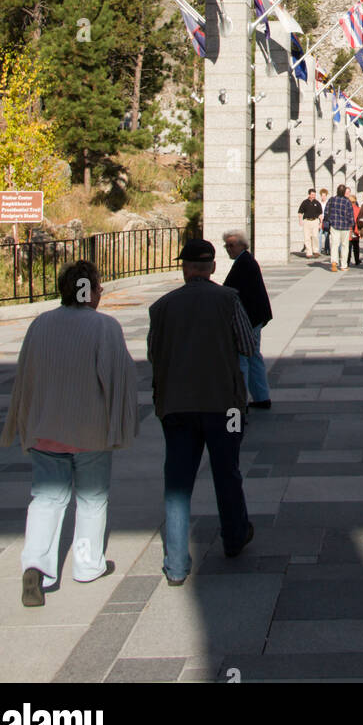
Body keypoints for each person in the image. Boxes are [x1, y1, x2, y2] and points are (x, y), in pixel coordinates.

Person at [1, 260, 139, 607]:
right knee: (91, 500)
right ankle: (87, 564)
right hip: (89, 431)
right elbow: (118, 378)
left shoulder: (41, 324)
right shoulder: (104, 326)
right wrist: (119, 425)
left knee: (46, 499)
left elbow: (25, 377)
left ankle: (36, 565)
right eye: (98, 286)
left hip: (46, 429)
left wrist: (25, 423)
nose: (102, 291)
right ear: (88, 290)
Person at [148, 239, 256, 585]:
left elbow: (153, 354)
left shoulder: (162, 306)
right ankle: (235, 537)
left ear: (184, 267)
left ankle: (177, 564)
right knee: (228, 471)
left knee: (177, 484)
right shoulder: (228, 300)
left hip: (176, 404)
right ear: (212, 267)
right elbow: (248, 346)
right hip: (225, 404)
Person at [223, 230, 273, 409]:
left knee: (243, 358)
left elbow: (230, 290)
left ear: (243, 245)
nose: (228, 249)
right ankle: (261, 397)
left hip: (249, 318)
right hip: (255, 316)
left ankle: (240, 402)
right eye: (226, 246)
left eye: (232, 245)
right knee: (253, 357)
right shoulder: (245, 261)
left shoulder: (244, 263)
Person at [323, 184, 355, 271]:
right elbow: (350, 215)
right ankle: (343, 265)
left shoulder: (332, 200)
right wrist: (352, 225)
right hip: (345, 226)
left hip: (334, 225)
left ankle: (334, 262)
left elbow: (326, 212)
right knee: (345, 246)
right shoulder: (347, 201)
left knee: (334, 244)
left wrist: (330, 221)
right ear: (344, 192)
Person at [298, 188, 323, 258]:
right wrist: (300, 221)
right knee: (307, 237)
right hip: (306, 221)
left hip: (315, 221)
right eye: (312, 194)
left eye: (314, 195)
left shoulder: (317, 203)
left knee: (315, 236)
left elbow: (320, 214)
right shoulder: (304, 202)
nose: (313, 196)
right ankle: (309, 252)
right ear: (309, 194)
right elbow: (300, 212)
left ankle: (315, 251)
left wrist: (321, 223)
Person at [348, 189, 362, 266]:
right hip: (356, 230)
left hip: (349, 229)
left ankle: (347, 260)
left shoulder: (347, 209)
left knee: (348, 246)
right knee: (356, 246)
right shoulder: (358, 209)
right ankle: (357, 260)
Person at [318, 187, 330, 256]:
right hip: (320, 221)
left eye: (324, 195)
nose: (323, 197)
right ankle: (319, 250)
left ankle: (327, 249)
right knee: (319, 235)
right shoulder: (319, 203)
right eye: (322, 195)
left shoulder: (328, 203)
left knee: (326, 235)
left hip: (326, 221)